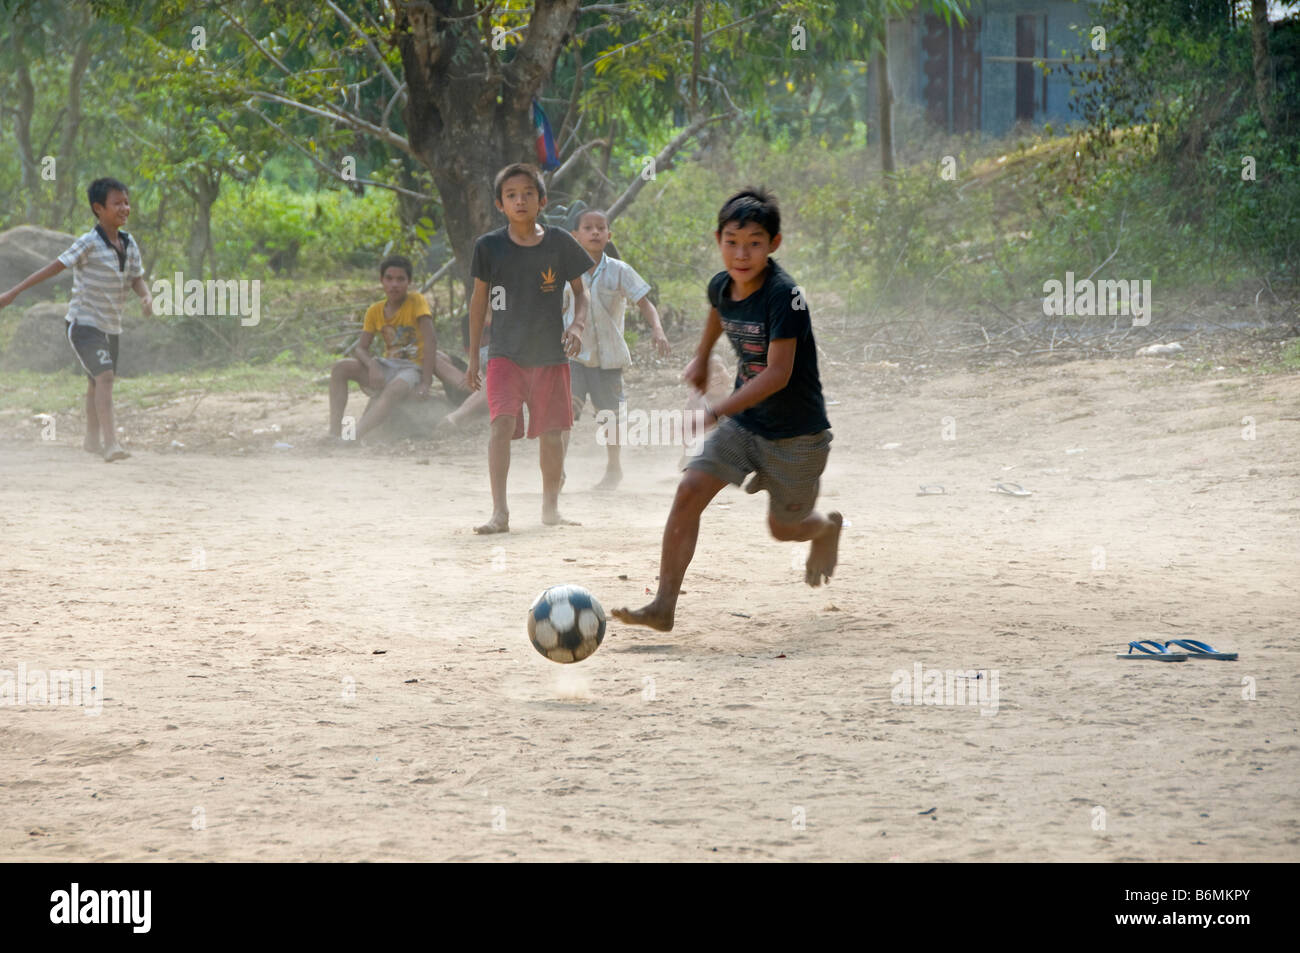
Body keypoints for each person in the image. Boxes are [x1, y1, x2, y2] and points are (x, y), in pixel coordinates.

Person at [613, 187, 842, 632]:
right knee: (689, 490)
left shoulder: (785, 296)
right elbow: (719, 310)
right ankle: (662, 605)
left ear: (774, 244)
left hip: (797, 435)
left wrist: (715, 410)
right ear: (717, 239)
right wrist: (701, 357)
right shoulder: (721, 284)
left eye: (754, 242)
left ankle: (827, 529)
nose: (742, 253)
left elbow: (777, 373)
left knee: (784, 528)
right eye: (732, 242)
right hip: (745, 424)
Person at [463, 162, 593, 533]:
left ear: (542, 200)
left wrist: (578, 325)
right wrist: (474, 357)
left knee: (551, 435)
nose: (520, 201)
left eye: (528, 194)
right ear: (500, 204)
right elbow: (477, 303)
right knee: (501, 425)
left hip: (551, 355)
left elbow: (581, 295)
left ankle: (550, 508)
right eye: (511, 195)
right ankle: (499, 513)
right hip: (505, 353)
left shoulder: (559, 243)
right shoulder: (488, 247)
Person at [0, 177, 151, 462]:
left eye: (127, 202)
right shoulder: (88, 243)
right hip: (83, 324)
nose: (125, 208)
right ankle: (111, 443)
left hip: (111, 326)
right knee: (104, 377)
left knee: (97, 382)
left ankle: (91, 439)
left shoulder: (129, 244)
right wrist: (13, 292)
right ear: (99, 208)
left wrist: (146, 297)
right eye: (117, 203)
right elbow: (53, 268)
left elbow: (136, 279)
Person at [560, 208, 670, 490]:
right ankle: (556, 470)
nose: (595, 232)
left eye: (601, 228)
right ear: (575, 235)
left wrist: (657, 329)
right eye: (588, 228)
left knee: (609, 416)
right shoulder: (563, 271)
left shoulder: (619, 271)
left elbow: (644, 302)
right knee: (564, 412)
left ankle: (614, 468)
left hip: (608, 358)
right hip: (573, 354)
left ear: (609, 235)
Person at [327, 255, 466, 443]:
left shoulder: (416, 301)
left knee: (393, 390)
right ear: (381, 281)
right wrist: (372, 366)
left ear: (409, 282)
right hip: (386, 365)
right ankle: (334, 433)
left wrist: (425, 383)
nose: (394, 284)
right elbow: (360, 349)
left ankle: (352, 437)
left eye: (400, 279)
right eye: (389, 278)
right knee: (340, 368)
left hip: (412, 368)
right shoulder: (375, 310)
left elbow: (430, 340)